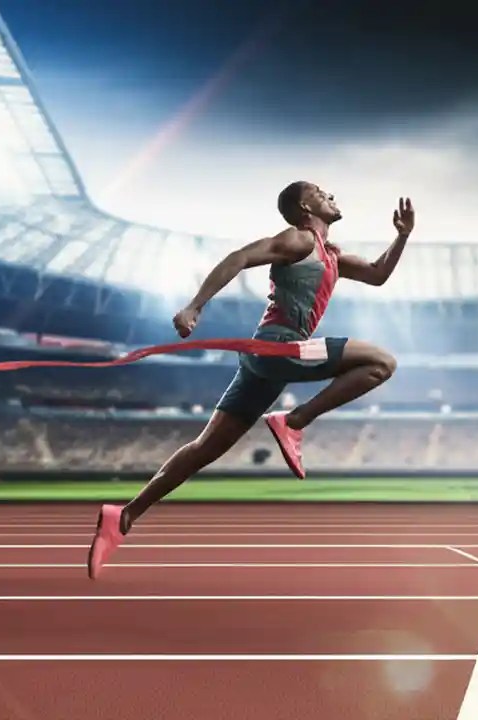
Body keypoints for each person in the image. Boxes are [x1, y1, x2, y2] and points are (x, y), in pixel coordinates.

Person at [86, 182, 413, 579]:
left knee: (206, 447)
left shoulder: (332, 256)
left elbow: (378, 274)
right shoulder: (299, 240)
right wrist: (195, 306)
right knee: (381, 362)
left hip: (267, 361)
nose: (330, 195)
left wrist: (401, 237)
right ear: (305, 206)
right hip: (280, 348)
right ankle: (295, 420)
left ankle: (125, 514)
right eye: (320, 192)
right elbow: (240, 257)